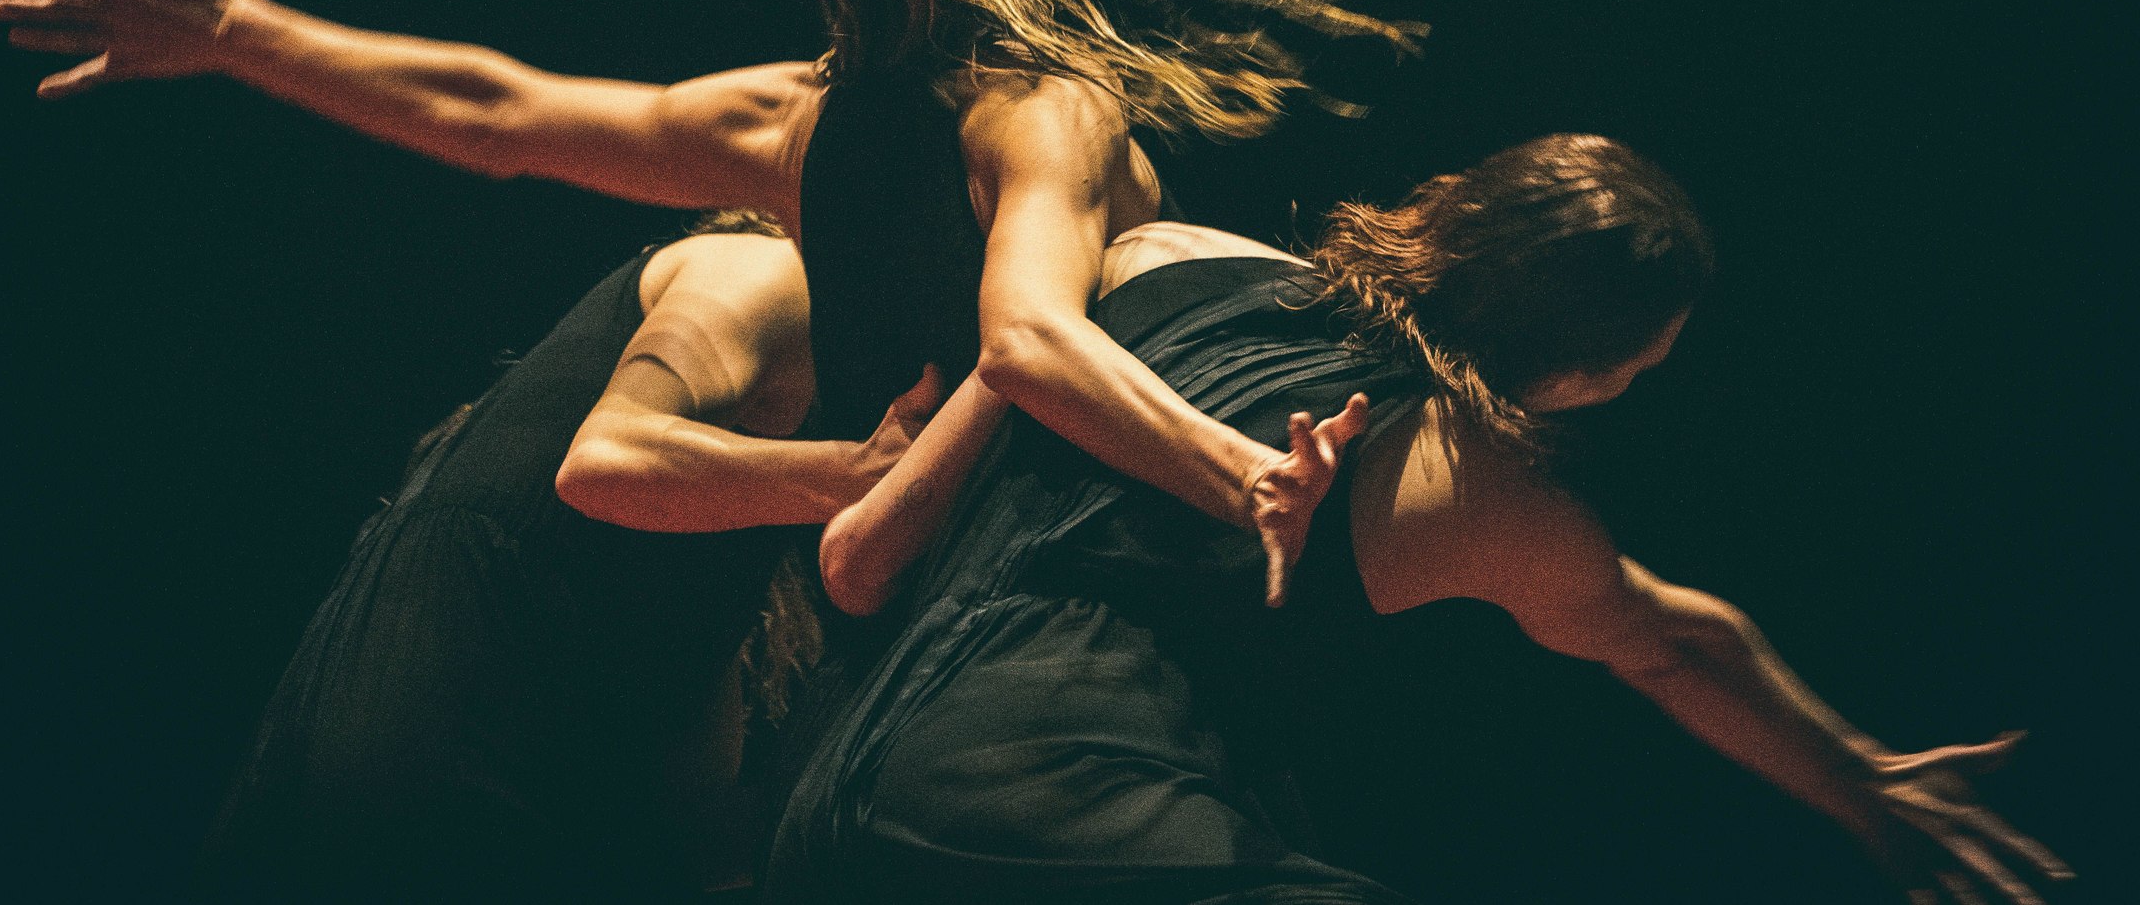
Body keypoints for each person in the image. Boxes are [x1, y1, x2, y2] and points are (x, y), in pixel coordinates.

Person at [0, 0, 1431, 574]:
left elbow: (499, 116)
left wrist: (245, 29)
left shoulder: (795, 125)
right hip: (1043, 578)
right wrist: (1241, 474)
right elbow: (1033, 340)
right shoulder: (1034, 110)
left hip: (880, 618)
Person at [777, 134, 2072, 905]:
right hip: (1054, 808)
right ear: (1571, 370)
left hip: (844, 792)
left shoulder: (1165, 256)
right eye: (1635, 371)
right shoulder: (1482, 478)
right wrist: (1855, 773)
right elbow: (1665, 637)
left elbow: (940, 468)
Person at [199, 212, 935, 899]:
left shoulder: (712, 548)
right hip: (436, 787)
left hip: (396, 791)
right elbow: (607, 457)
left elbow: (683, 797)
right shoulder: (764, 265)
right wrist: (854, 474)